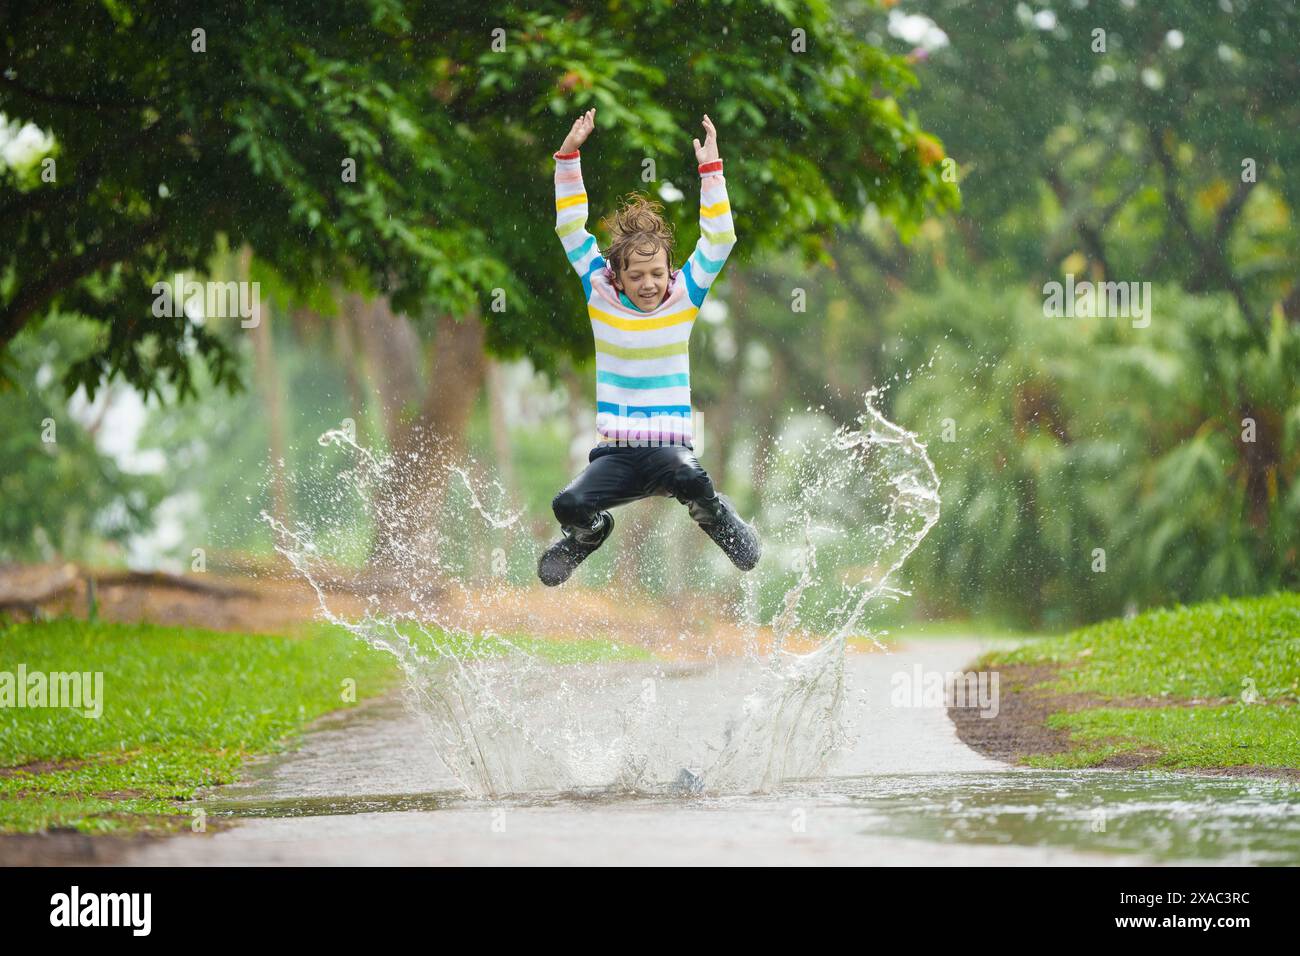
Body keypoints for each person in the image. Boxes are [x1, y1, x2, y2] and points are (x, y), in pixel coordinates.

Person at [539, 108, 761, 587]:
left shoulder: (684, 296)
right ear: (616, 276)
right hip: (616, 455)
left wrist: (711, 172)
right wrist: (569, 157)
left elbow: (720, 239)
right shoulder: (599, 292)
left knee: (692, 479)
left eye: (657, 274)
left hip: (668, 451)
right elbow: (570, 230)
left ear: (669, 271)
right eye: (636, 276)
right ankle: (588, 536)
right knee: (568, 505)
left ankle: (718, 520)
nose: (648, 284)